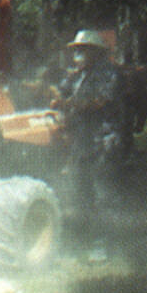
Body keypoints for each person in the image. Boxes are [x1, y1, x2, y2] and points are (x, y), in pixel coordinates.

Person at [52, 30, 128, 215]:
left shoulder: (111, 74)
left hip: (106, 138)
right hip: (84, 138)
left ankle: (109, 235)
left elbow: (98, 102)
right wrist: (48, 91)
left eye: (83, 50)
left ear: (96, 52)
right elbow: (61, 91)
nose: (78, 55)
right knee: (79, 187)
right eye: (76, 51)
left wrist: (67, 103)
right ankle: (86, 231)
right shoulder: (79, 75)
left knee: (103, 189)